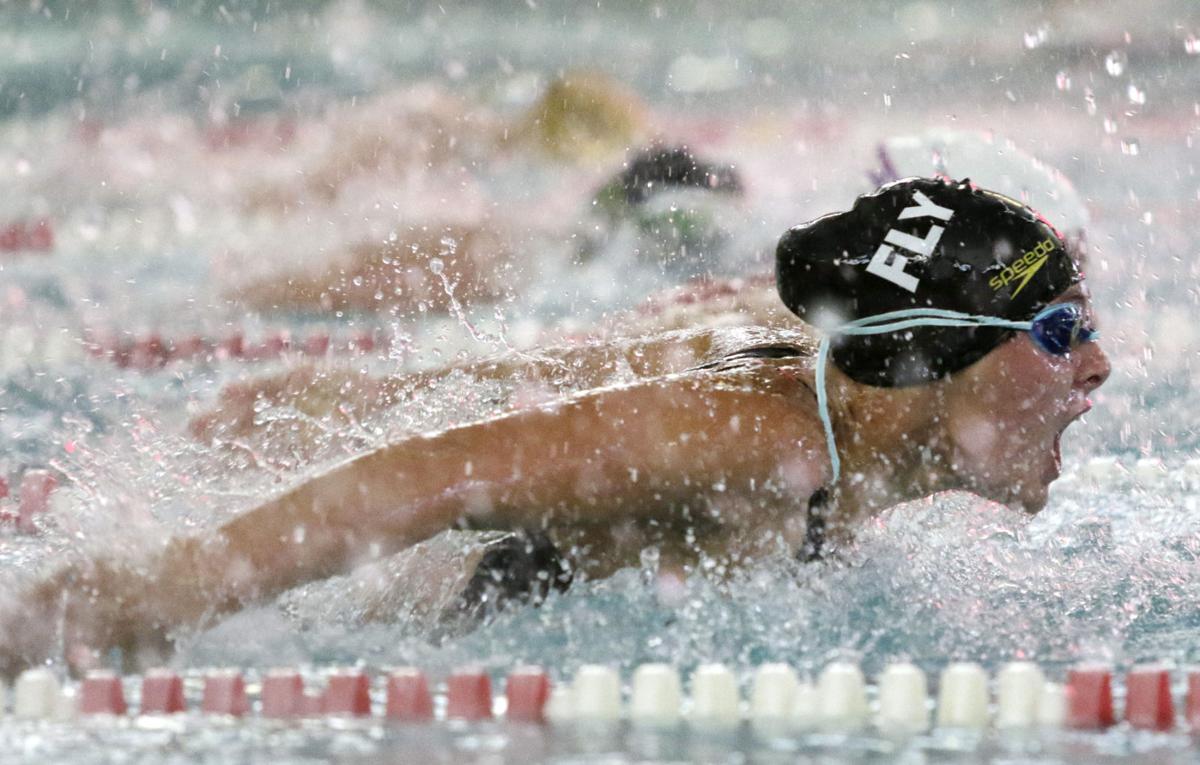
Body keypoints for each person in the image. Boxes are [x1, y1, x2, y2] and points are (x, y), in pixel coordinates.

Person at [0, 177, 1110, 674]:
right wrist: (168, 587)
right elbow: (438, 477)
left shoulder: (837, 419)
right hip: (443, 624)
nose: (1099, 368)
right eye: (1058, 333)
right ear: (930, 358)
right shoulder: (770, 446)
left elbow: (598, 363)